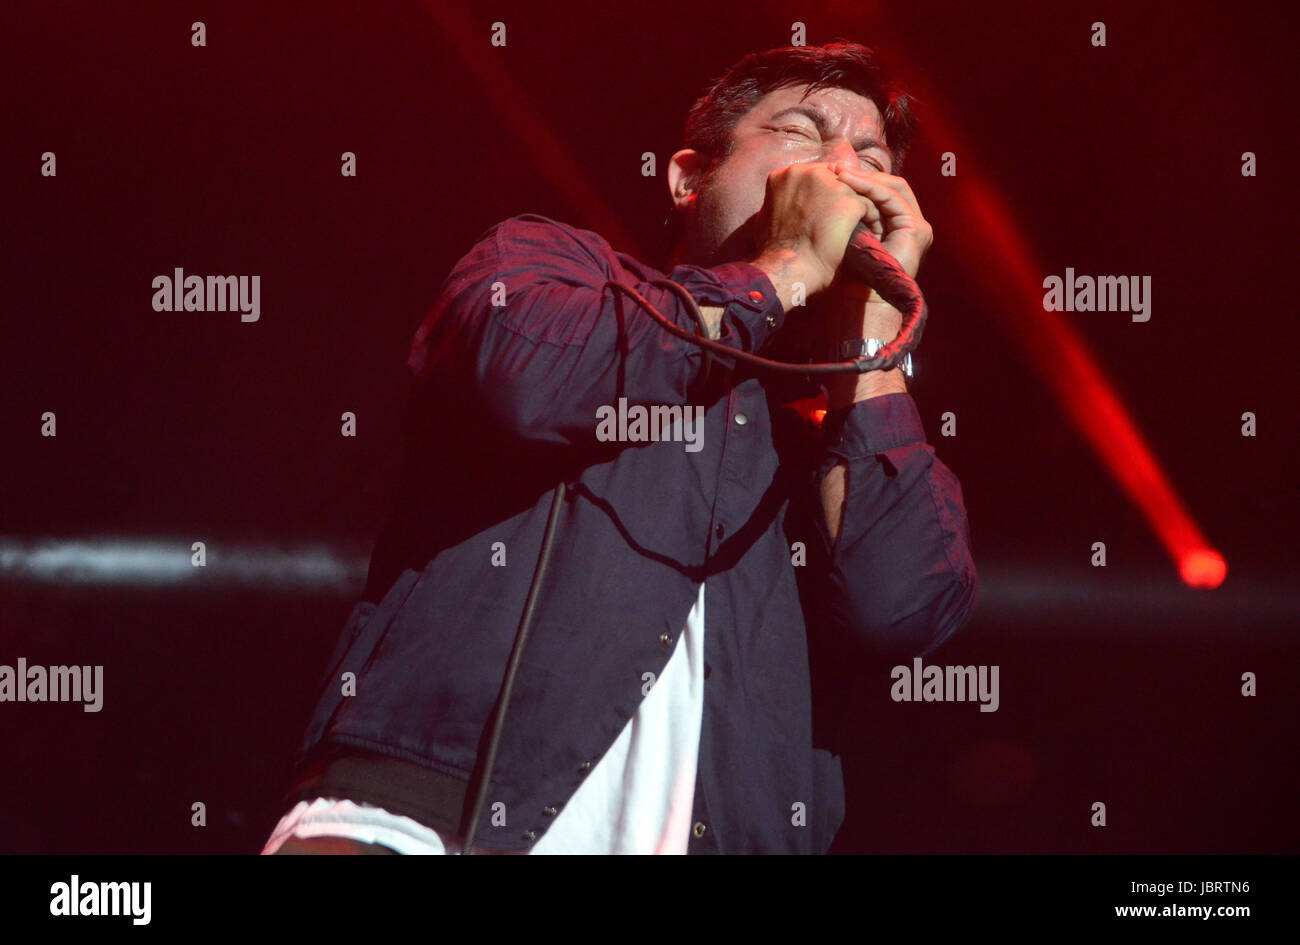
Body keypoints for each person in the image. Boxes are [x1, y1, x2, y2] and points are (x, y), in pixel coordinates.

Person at [263, 40, 977, 855]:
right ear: (686, 177)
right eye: (802, 132)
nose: (844, 169)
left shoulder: (824, 441)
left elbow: (904, 608)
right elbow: (523, 377)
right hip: (426, 824)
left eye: (874, 157)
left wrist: (872, 350)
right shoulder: (554, 266)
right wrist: (780, 267)